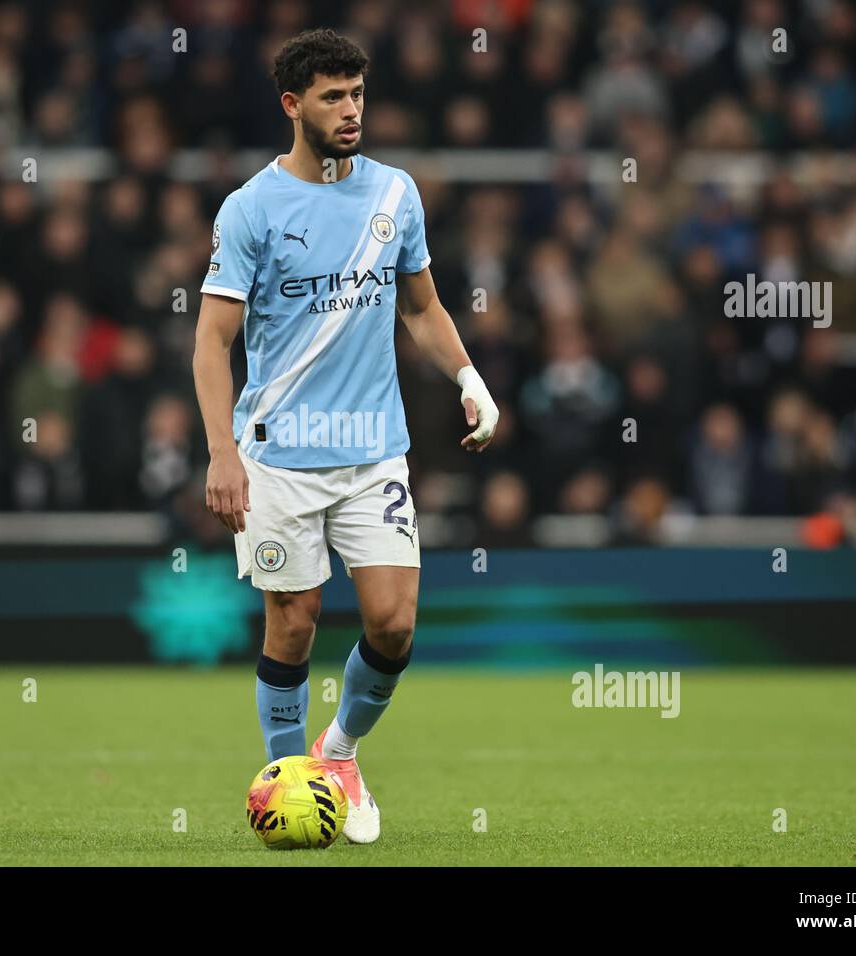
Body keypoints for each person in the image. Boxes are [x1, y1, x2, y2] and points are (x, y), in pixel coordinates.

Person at [192, 29, 499, 843]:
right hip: (278, 456)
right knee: (291, 623)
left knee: (394, 624)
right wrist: (222, 452)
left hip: (372, 450)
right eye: (333, 96)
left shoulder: (395, 194)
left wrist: (469, 380)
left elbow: (423, 308)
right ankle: (291, 793)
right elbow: (212, 340)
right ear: (293, 106)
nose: (351, 109)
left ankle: (340, 752)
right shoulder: (252, 208)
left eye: (358, 93)